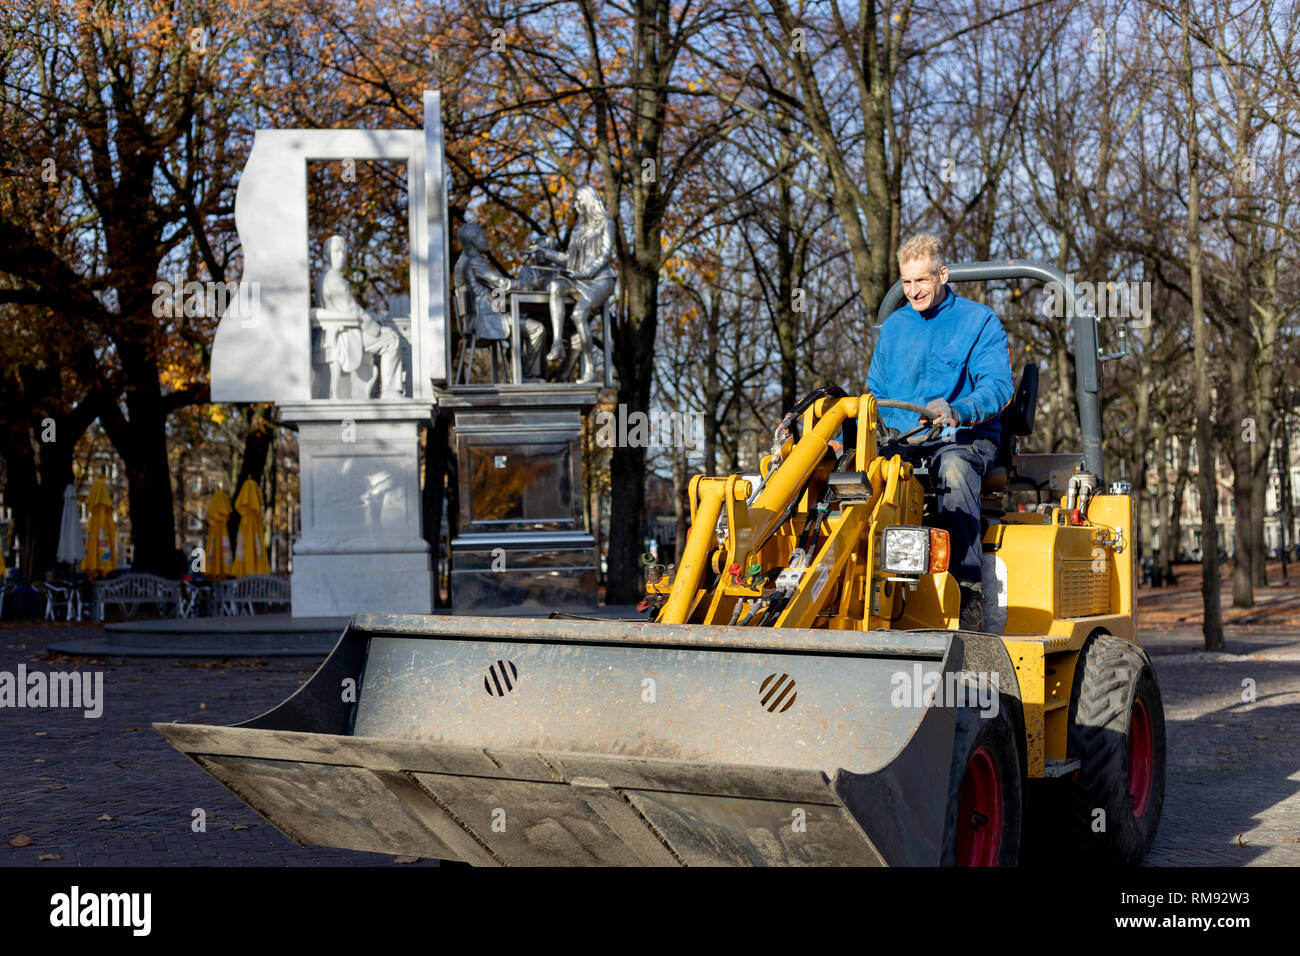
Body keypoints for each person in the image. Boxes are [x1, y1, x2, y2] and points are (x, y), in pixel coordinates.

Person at [869, 233, 1013, 630]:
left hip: (963, 437)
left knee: (952, 468)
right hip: (903, 442)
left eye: (922, 280)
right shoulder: (895, 327)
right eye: (906, 282)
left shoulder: (979, 321)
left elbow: (998, 387)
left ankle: (965, 590)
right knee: (855, 473)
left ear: (943, 274)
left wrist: (958, 409)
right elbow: (876, 393)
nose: (913, 290)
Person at [531, 185, 616, 383]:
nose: (575, 205)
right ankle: (557, 343)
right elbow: (569, 259)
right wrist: (546, 253)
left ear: (588, 201)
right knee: (555, 286)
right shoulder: (578, 229)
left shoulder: (606, 223)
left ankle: (590, 371)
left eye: (578, 201)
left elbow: (605, 254)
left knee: (579, 314)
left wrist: (586, 272)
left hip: (601, 280)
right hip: (579, 278)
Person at [453, 222, 547, 380]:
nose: (485, 240)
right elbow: (503, 284)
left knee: (521, 323)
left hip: (474, 319)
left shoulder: (461, 263)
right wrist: (531, 285)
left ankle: (520, 375)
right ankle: (529, 377)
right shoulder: (475, 262)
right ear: (473, 240)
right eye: (482, 236)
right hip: (486, 320)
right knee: (537, 328)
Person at [316, 234, 403, 397]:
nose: (341, 256)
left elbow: (350, 307)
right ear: (326, 255)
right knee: (392, 340)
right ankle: (391, 391)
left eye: (343, 252)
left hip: (343, 329)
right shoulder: (333, 278)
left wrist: (371, 316)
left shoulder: (325, 277)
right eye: (336, 252)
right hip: (346, 333)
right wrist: (375, 327)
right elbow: (351, 310)